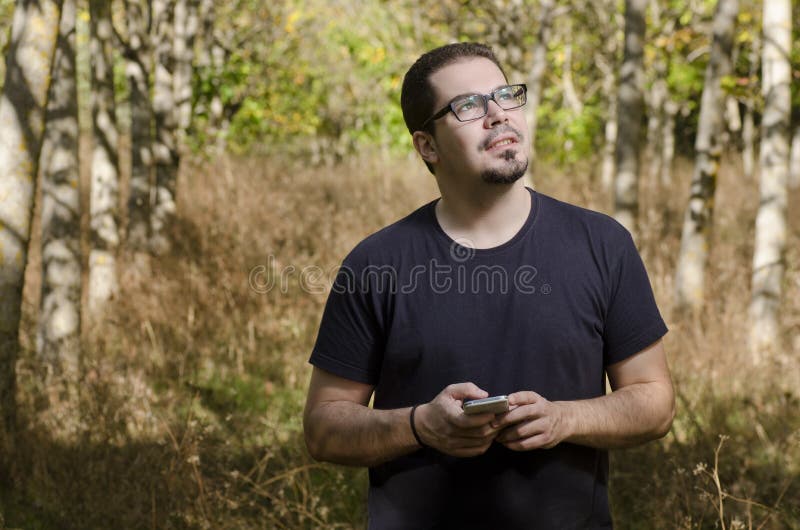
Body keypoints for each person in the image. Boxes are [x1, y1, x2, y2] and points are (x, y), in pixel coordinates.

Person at [303, 42, 674, 529]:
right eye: (469, 106)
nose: (498, 114)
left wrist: (565, 419)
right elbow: (323, 428)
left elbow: (655, 402)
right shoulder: (376, 263)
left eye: (504, 95)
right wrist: (419, 425)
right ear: (427, 146)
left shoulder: (602, 244)